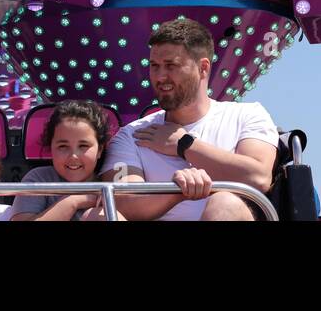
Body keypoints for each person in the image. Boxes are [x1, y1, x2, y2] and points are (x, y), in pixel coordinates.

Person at [101, 17, 279, 221]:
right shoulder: (130, 135)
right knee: (96, 215)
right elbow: (122, 204)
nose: (159, 76)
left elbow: (259, 178)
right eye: (154, 65)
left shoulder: (248, 115)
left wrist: (185, 145)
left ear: (203, 68)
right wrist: (178, 191)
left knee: (225, 204)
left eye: (171, 65)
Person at [11, 100, 117, 221]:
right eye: (63, 146)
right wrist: (73, 200)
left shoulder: (109, 182)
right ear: (51, 148)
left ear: (99, 150)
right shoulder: (38, 179)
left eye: (83, 146)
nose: (73, 156)